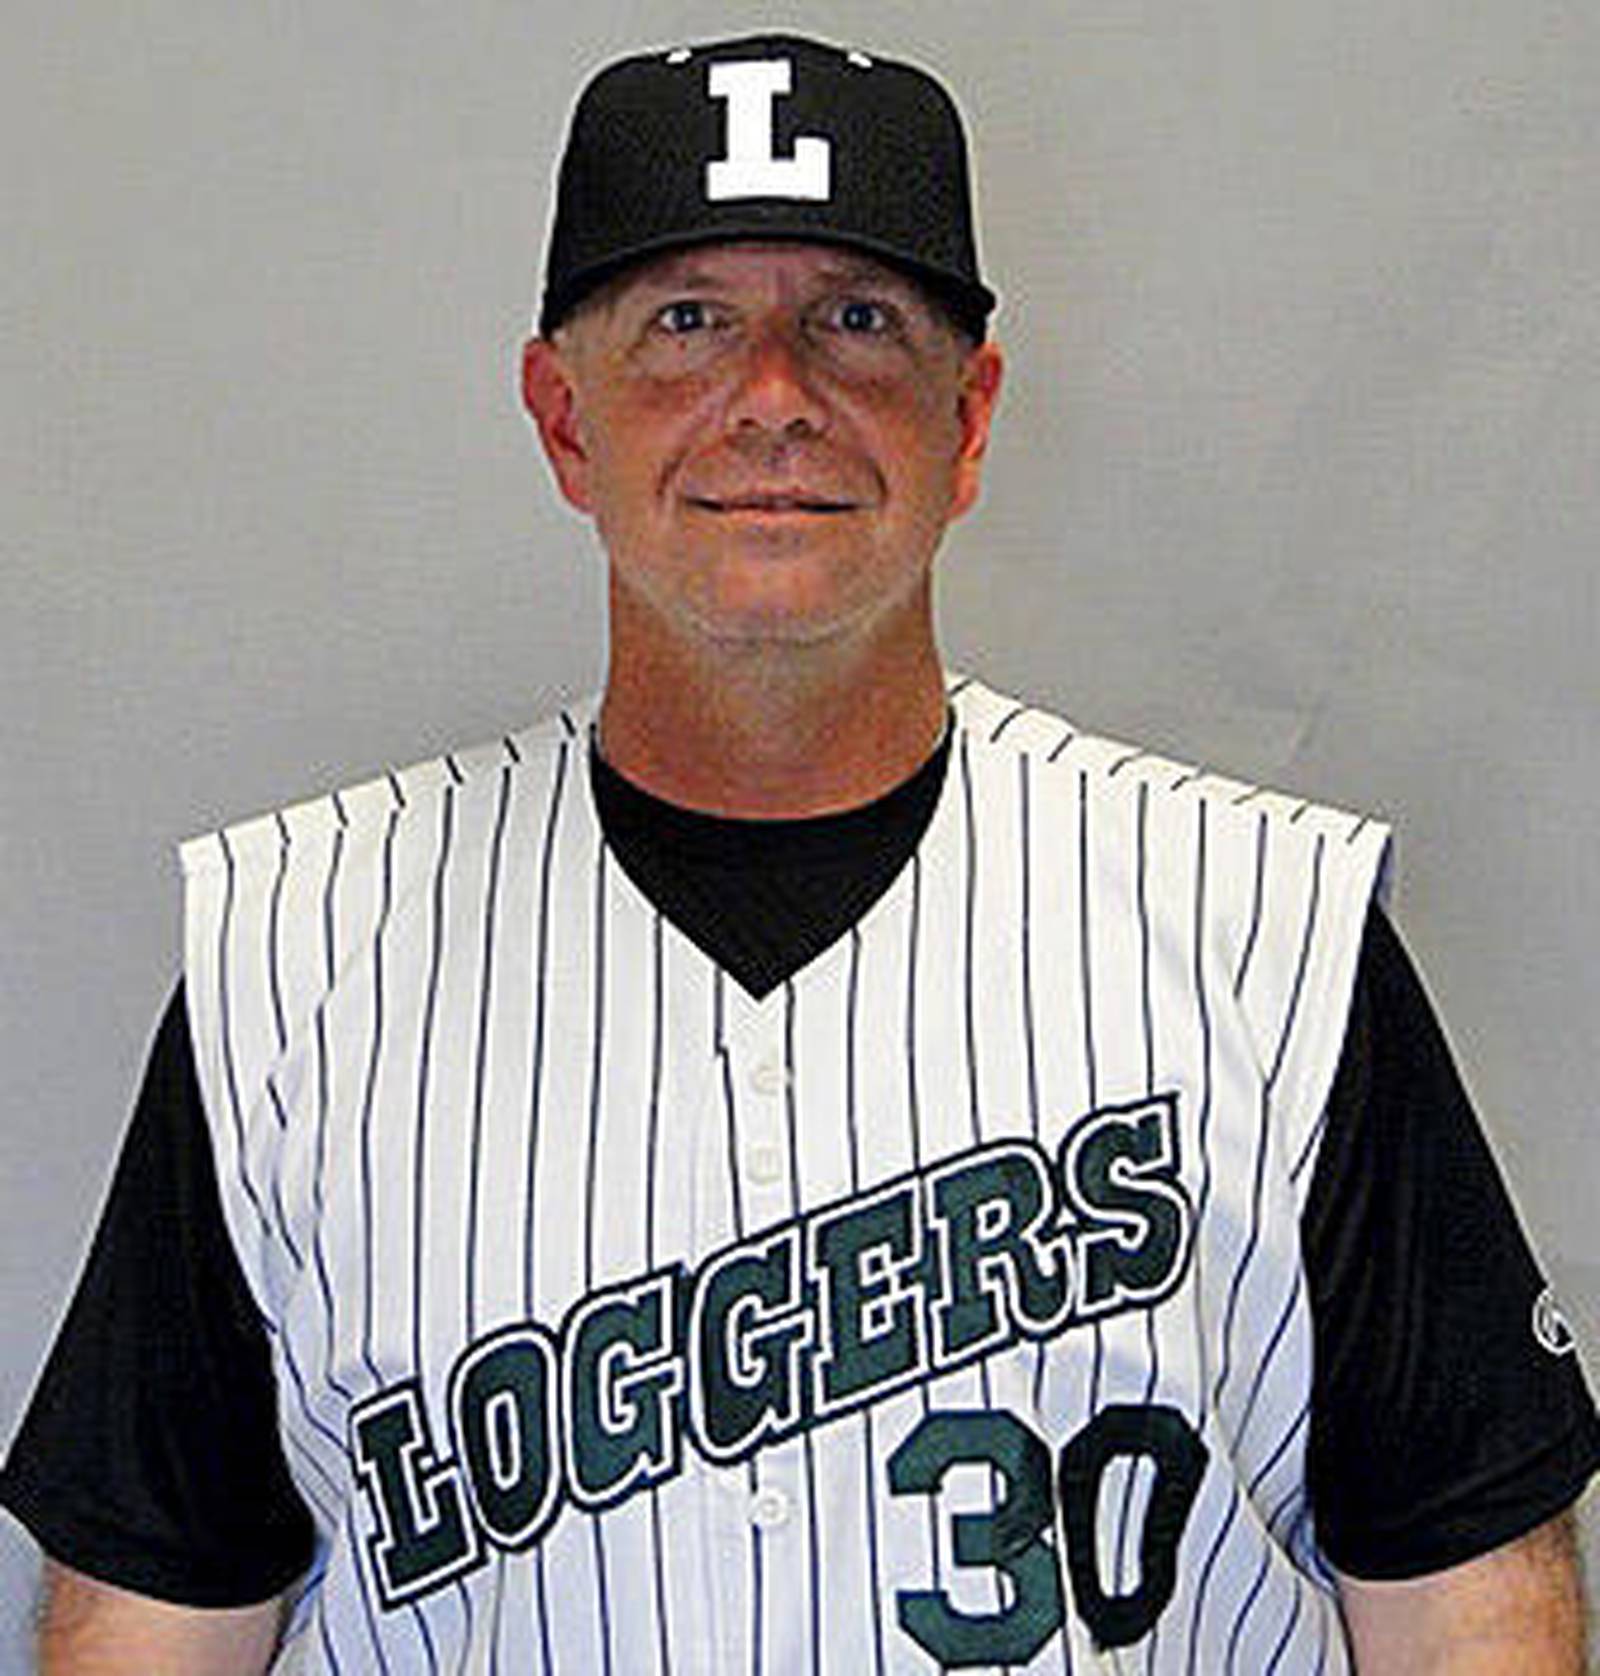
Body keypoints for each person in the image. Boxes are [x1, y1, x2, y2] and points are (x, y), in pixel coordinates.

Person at [3, 31, 1596, 1675]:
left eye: (858, 321)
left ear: (968, 419)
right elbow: (155, 1614)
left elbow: (1463, 1589)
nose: (775, 395)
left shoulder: (1274, 934)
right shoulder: (297, 955)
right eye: (687, 322)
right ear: (565, 420)